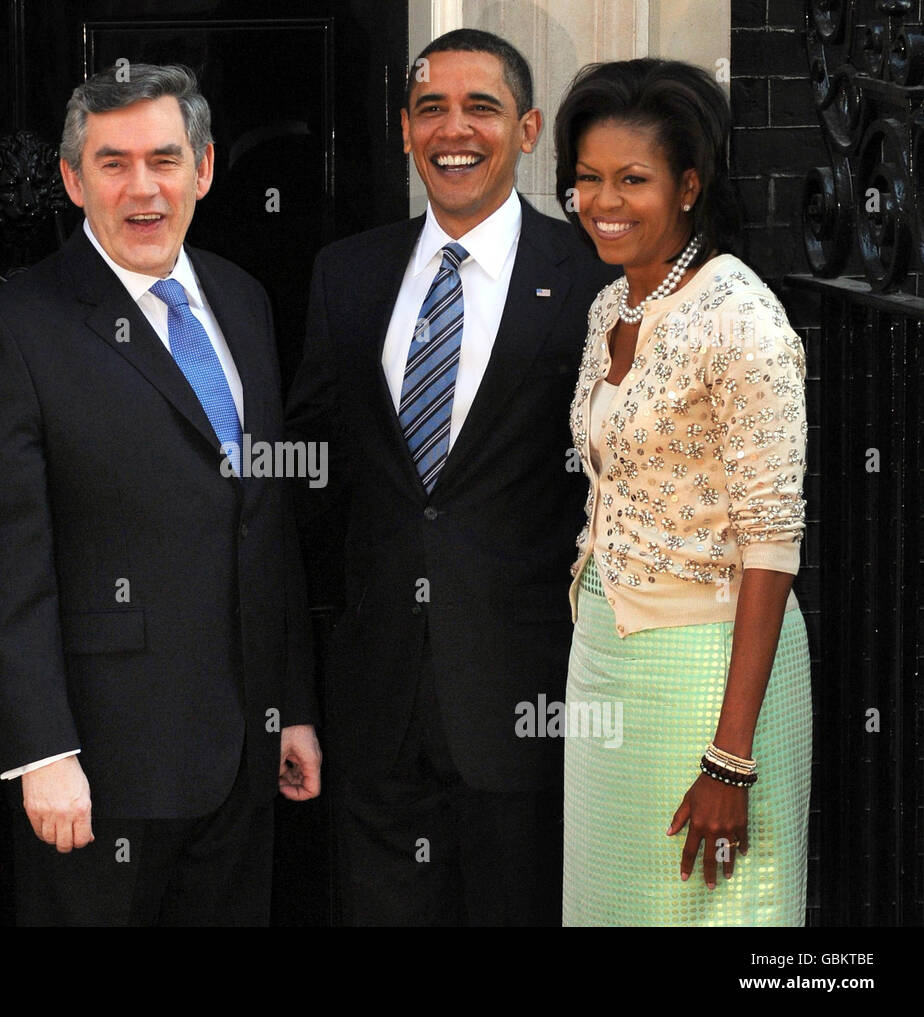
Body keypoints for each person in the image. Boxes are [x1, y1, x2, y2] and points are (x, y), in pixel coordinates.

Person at [0, 63, 321, 927]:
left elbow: (264, 526)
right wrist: (41, 749)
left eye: (163, 158)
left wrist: (292, 706)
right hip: (99, 769)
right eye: (112, 163)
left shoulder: (243, 298)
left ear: (205, 167)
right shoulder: (15, 329)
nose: (142, 187)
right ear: (75, 181)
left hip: (243, 753)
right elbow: (5, 565)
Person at [284, 29, 615, 925]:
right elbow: (314, 491)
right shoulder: (344, 276)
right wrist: (301, 689)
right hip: (375, 714)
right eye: (431, 107)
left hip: (527, 709)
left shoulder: (593, 282)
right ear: (403, 129)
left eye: (482, 108)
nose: (453, 129)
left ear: (530, 127)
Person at [554, 58, 811, 925]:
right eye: (587, 179)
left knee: (711, 910)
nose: (604, 201)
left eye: (634, 179)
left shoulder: (740, 315)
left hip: (708, 679)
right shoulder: (609, 308)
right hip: (605, 666)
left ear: (690, 186)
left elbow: (772, 541)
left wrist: (730, 758)